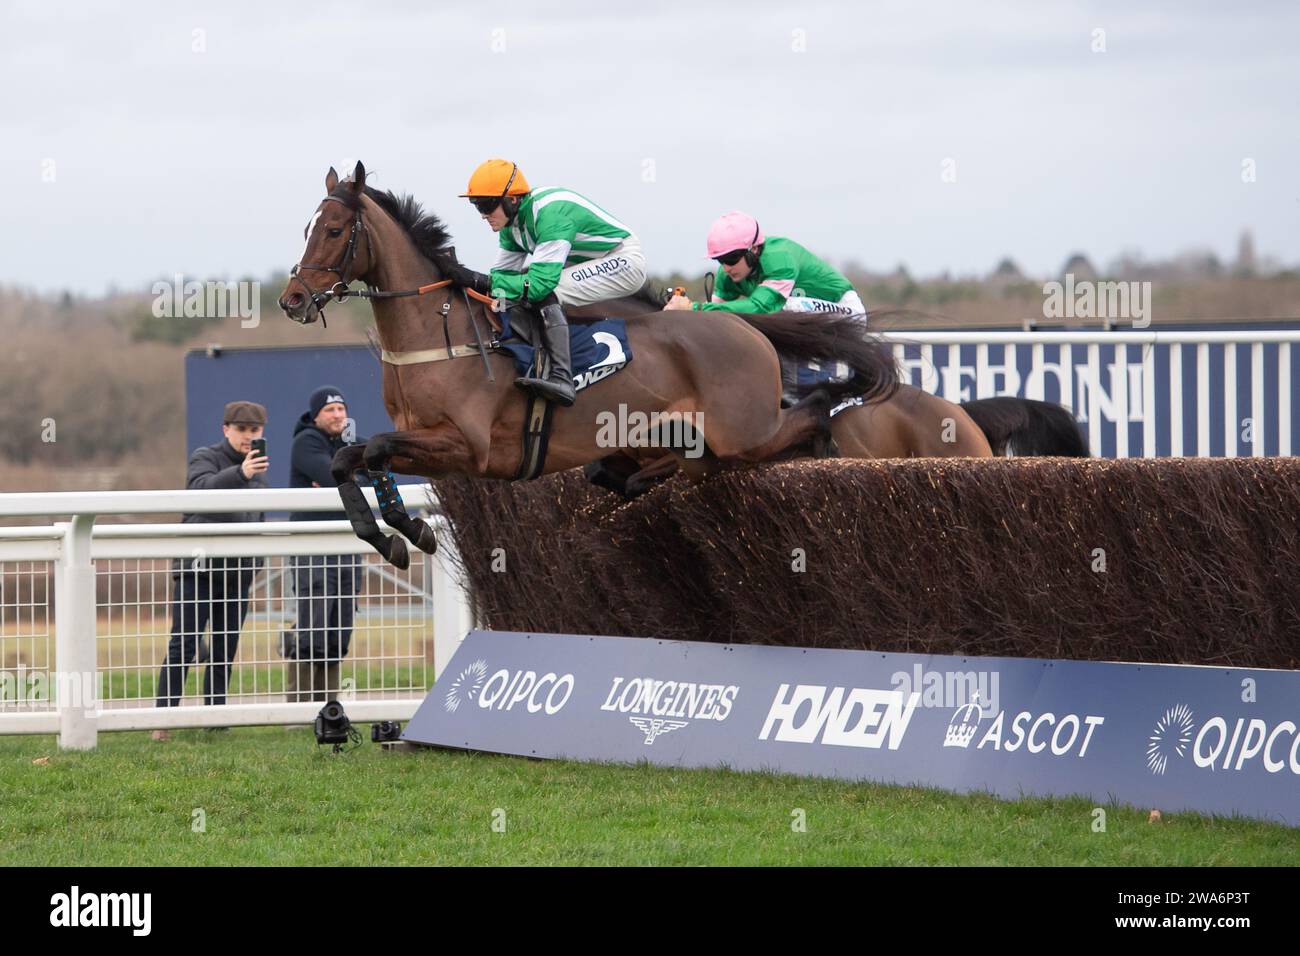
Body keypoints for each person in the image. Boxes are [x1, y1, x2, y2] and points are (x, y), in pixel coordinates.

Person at [449, 158, 647, 407]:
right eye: (476, 205)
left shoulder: (550, 215)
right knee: (518, 284)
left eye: (488, 205)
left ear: (512, 199)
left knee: (544, 289)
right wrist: (466, 283)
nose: (483, 215)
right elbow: (500, 281)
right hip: (583, 263)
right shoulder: (510, 227)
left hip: (623, 261)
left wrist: (478, 279)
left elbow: (539, 285)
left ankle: (562, 378)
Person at [152, 401, 268, 739]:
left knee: (224, 650)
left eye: (255, 430)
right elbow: (200, 492)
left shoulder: (258, 470)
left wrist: (253, 567)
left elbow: (256, 520)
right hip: (197, 570)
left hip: (236, 575)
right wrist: (241, 474)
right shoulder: (205, 456)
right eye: (242, 429)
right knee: (184, 645)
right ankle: (162, 721)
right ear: (226, 429)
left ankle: (216, 720)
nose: (248, 436)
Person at [282, 385, 365, 703]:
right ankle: (299, 708)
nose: (338, 414)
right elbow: (334, 476)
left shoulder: (353, 441)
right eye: (330, 410)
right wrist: (348, 476)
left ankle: (328, 706)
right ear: (316, 415)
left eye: (341, 408)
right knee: (313, 624)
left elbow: (379, 474)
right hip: (313, 547)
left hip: (348, 543)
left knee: (340, 626)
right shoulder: (305, 442)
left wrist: (348, 476)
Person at [664, 211, 866, 320]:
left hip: (845, 311)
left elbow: (762, 308)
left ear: (753, 249)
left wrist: (695, 308)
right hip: (805, 321)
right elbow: (717, 313)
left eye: (732, 258)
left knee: (782, 309)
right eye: (720, 260)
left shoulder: (779, 259)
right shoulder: (727, 274)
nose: (726, 268)